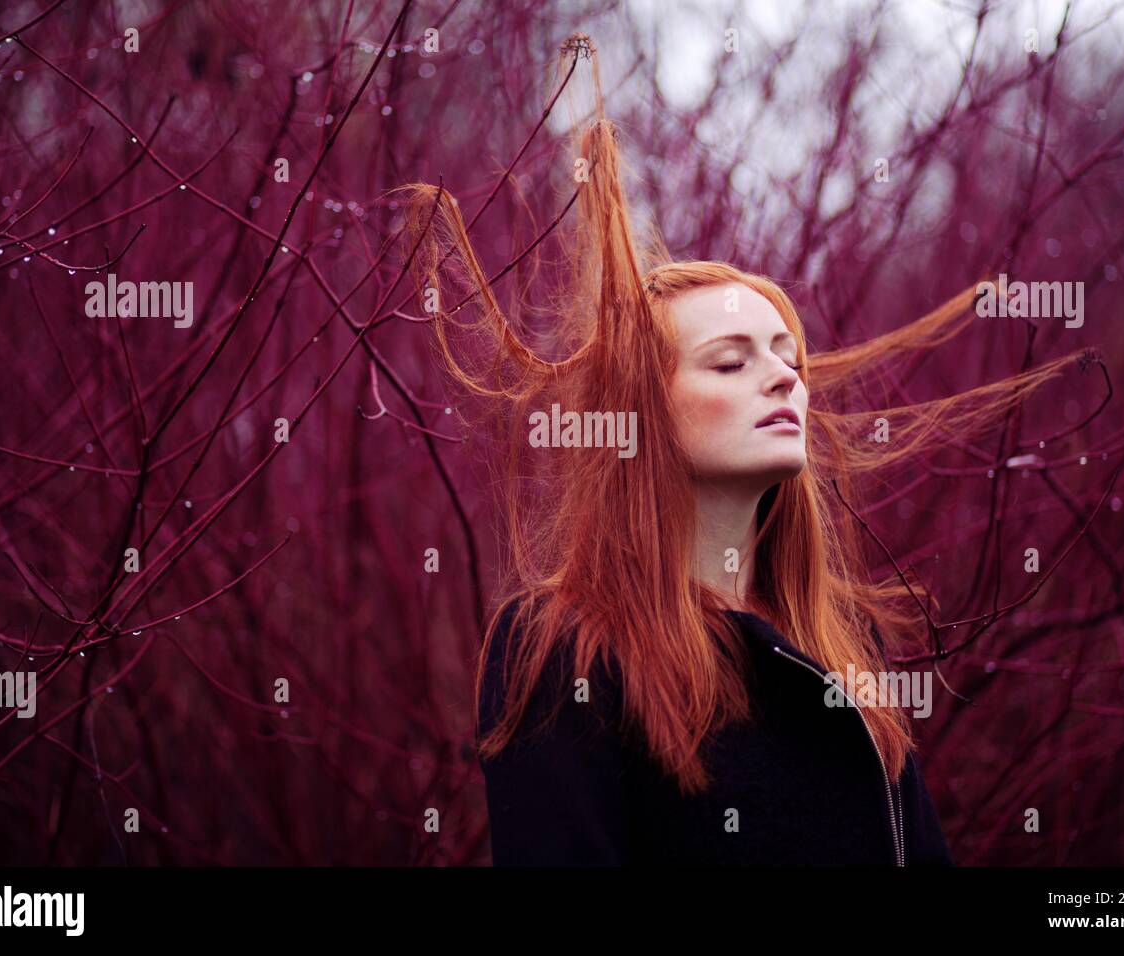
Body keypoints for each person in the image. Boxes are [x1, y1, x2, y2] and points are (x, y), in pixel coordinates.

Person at [398, 59, 1079, 865]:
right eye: (730, 361)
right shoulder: (565, 648)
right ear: (645, 415)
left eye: (788, 356)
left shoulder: (840, 637)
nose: (785, 375)